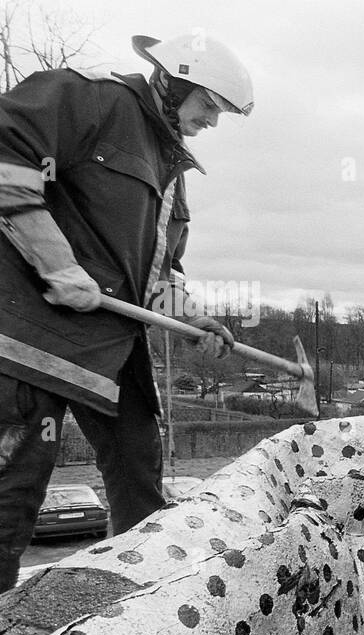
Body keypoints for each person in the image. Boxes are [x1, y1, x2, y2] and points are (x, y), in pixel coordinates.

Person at [0, 33, 251, 592]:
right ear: (174, 81)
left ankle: (141, 608)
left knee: (142, 485)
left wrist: (192, 321)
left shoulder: (171, 173)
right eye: (208, 104)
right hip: (27, 340)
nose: (212, 120)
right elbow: (6, 152)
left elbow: (157, 276)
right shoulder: (91, 100)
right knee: (13, 497)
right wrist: (55, 262)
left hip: (111, 352)